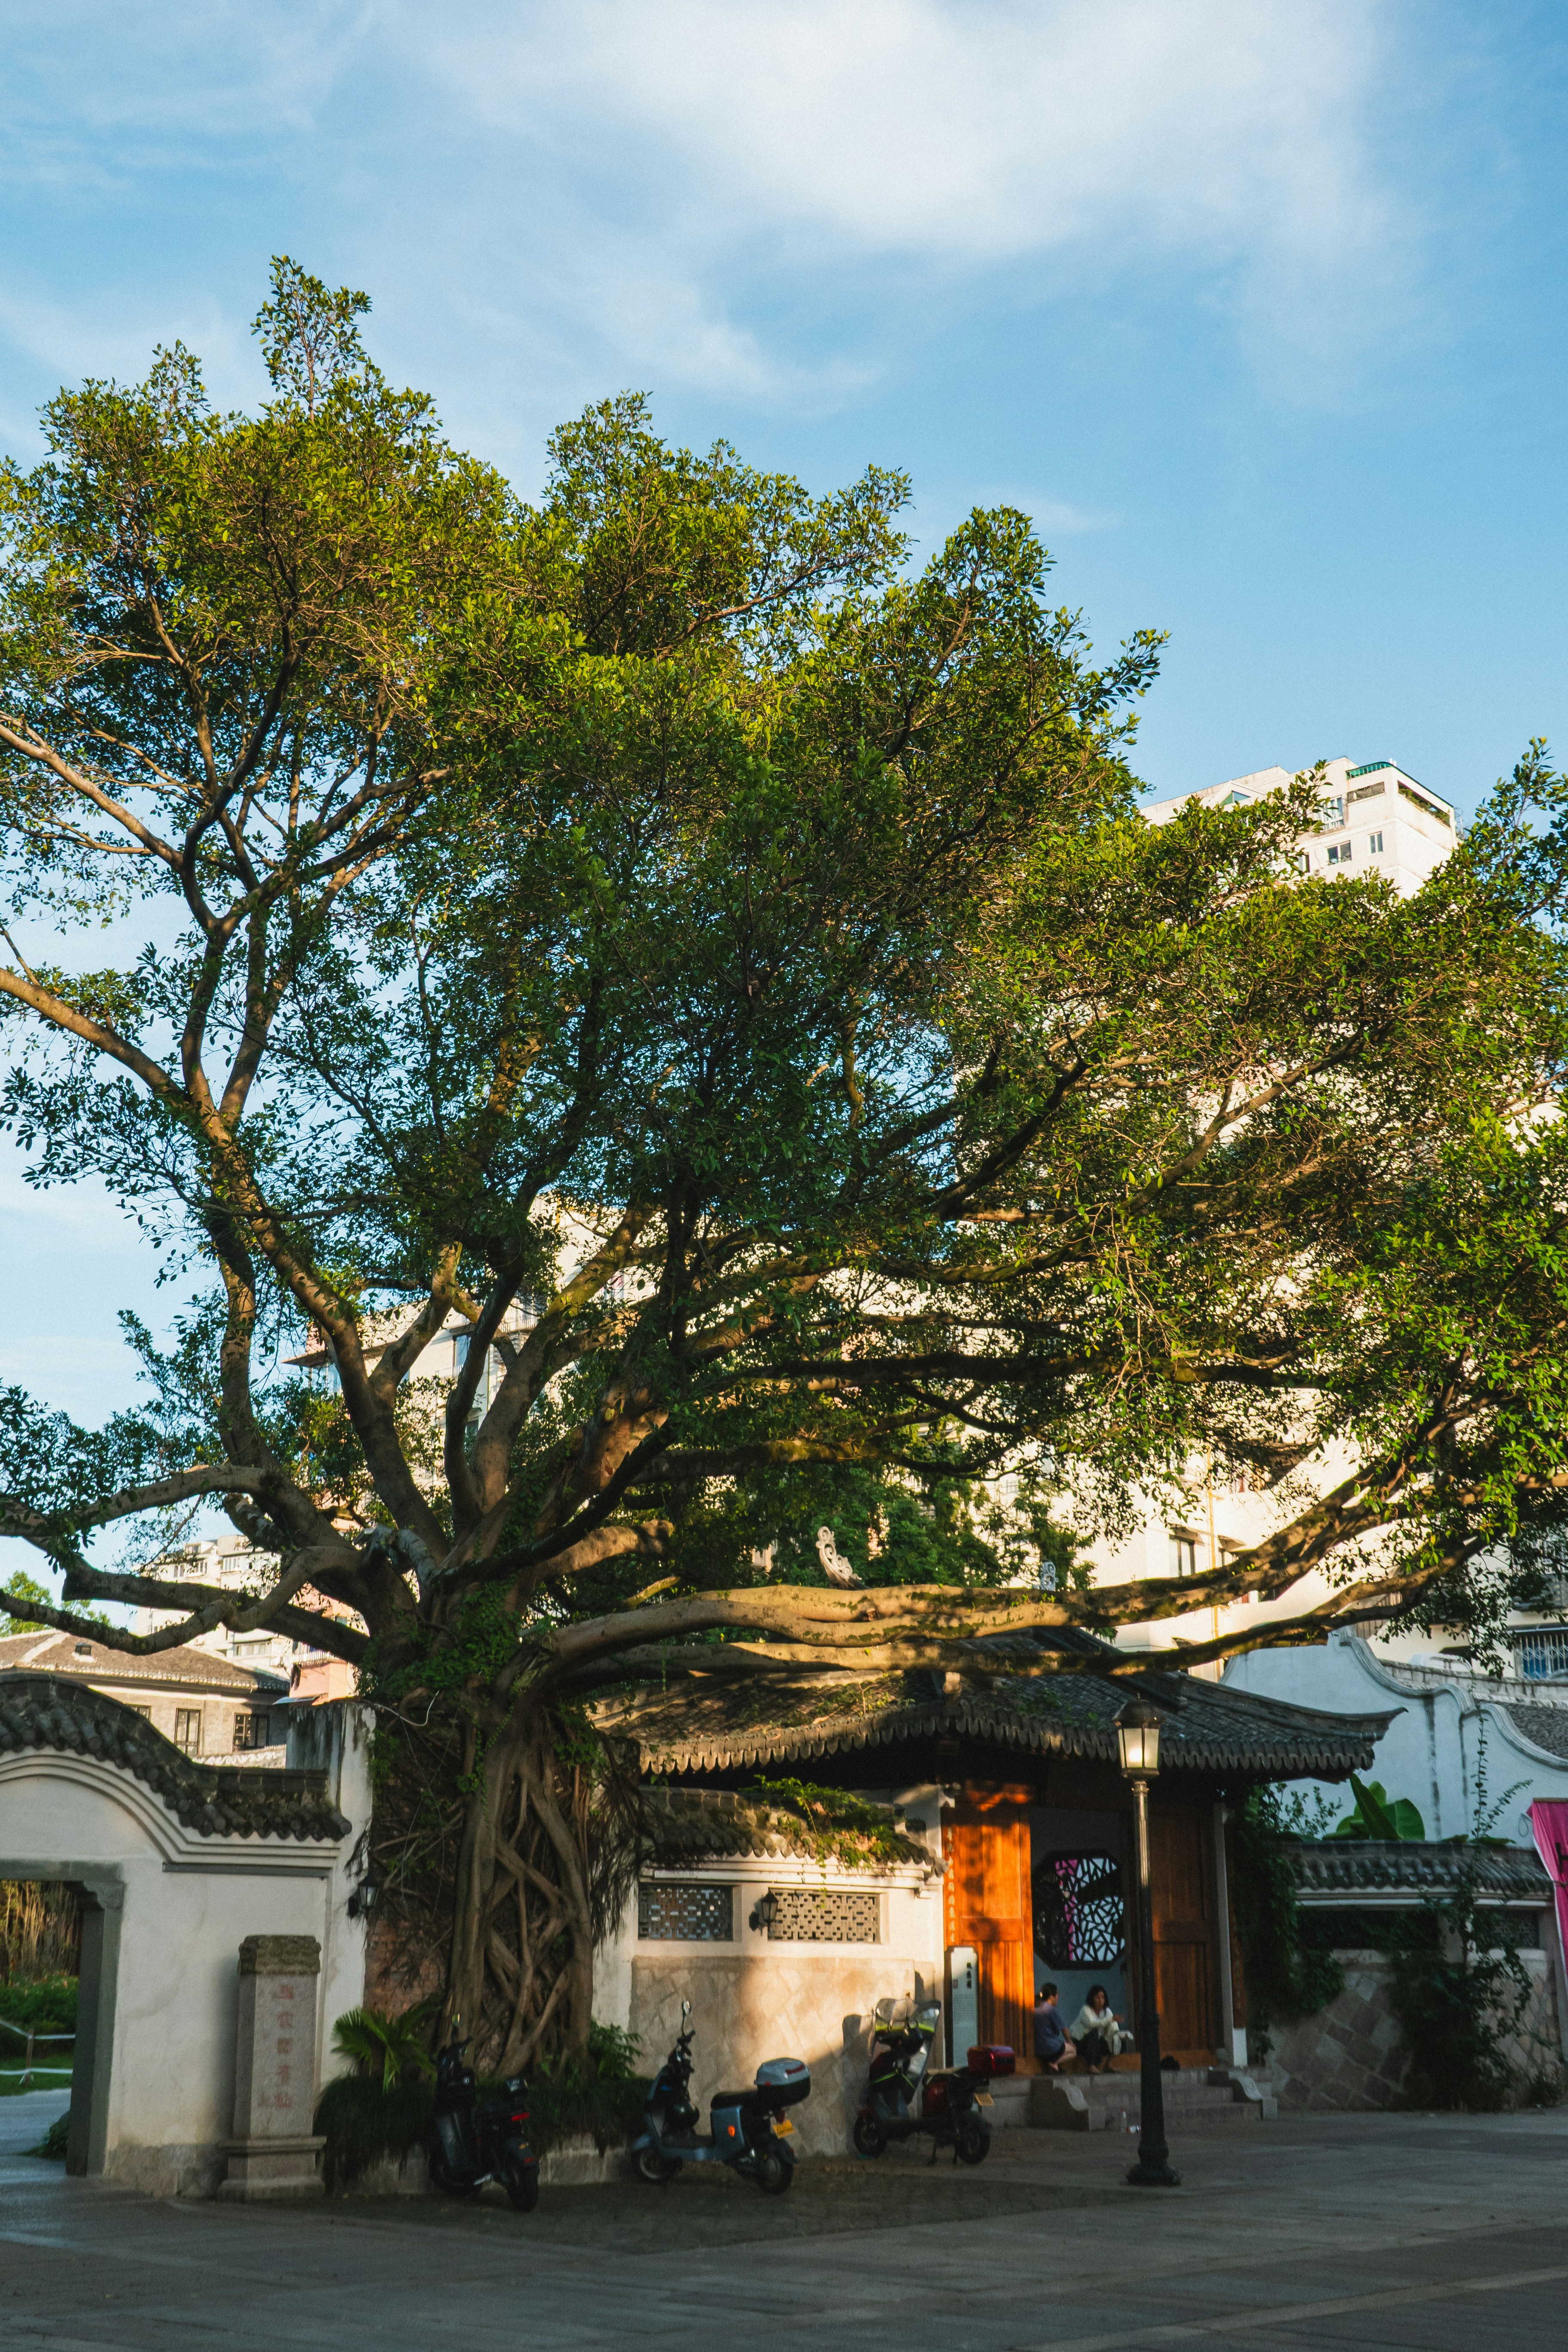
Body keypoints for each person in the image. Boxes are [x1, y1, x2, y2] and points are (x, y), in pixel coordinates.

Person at [1069, 1985, 1129, 2070]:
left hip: (1096, 2043)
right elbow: (1092, 2025)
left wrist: (1119, 2034)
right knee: (1093, 2033)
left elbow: (1113, 2027)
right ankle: (1092, 2066)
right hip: (1081, 2042)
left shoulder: (1107, 2012)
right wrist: (1110, 2020)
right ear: (1092, 1999)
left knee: (1120, 2041)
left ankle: (1110, 2064)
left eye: (1103, 1998)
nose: (1101, 2001)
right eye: (1098, 1998)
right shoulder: (1086, 2010)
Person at [1032, 1983, 1073, 2070]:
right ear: (1052, 1997)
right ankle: (1054, 2063)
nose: (1058, 1998)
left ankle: (1054, 2065)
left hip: (1038, 2050)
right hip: (1052, 2048)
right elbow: (1064, 2029)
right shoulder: (1051, 2010)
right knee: (1073, 2051)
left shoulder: (1035, 2011)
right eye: (1057, 1995)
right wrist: (1071, 2043)